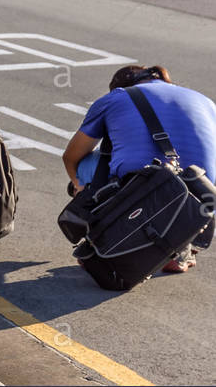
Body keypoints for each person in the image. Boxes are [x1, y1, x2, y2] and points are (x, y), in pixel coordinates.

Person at [60, 65, 216, 273]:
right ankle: (182, 243)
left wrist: (79, 187)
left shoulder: (116, 98)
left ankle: (107, 234)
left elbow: (72, 156)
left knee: (89, 164)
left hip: (142, 191)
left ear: (120, 86)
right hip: (202, 194)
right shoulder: (205, 100)